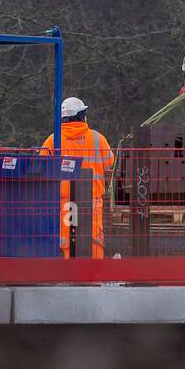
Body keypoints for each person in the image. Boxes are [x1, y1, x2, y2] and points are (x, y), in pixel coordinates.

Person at [41, 97, 115, 259]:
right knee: (93, 238)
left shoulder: (52, 140)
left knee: (66, 237)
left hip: (64, 201)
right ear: (82, 116)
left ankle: (69, 272)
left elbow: (42, 169)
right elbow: (110, 164)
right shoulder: (97, 139)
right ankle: (94, 274)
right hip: (92, 200)